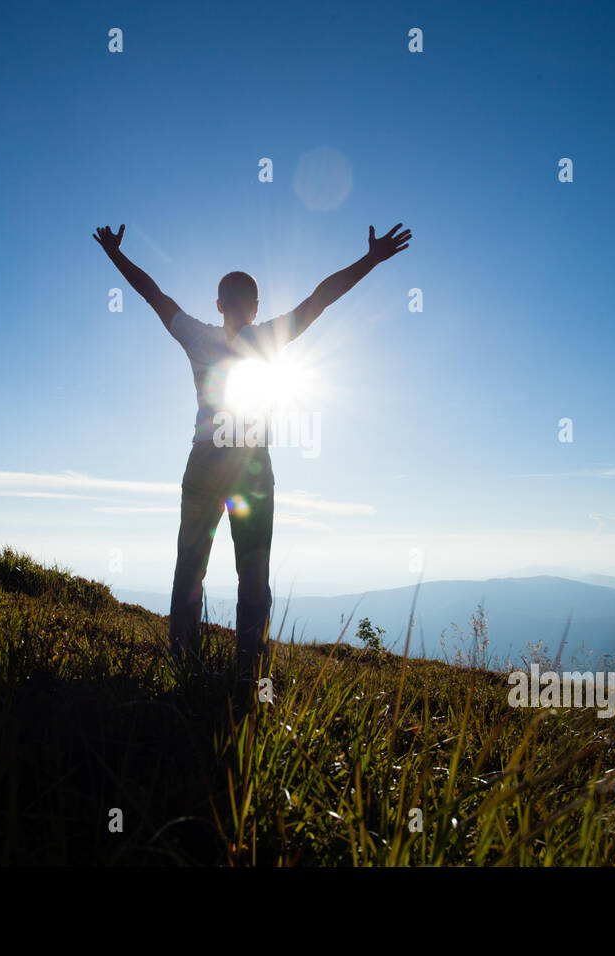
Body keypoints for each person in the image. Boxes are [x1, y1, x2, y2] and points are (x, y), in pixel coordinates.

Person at [93, 222, 412, 680]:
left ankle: (184, 663)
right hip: (252, 466)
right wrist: (371, 260)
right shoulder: (269, 337)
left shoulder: (196, 335)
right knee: (254, 575)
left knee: (190, 568)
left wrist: (114, 255)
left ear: (219, 305)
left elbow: (153, 294)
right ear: (255, 306)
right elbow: (320, 299)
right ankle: (249, 674)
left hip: (205, 462)